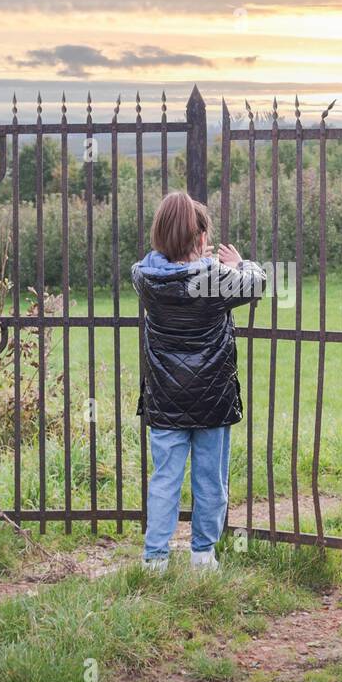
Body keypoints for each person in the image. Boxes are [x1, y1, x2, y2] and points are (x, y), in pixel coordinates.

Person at [131, 191, 267, 572]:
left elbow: (158, 268)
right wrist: (243, 263)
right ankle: (203, 555)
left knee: (164, 481)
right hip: (212, 400)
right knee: (210, 481)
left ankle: (154, 559)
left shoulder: (145, 280)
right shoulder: (215, 279)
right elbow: (256, 284)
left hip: (165, 400)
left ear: (159, 237)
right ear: (202, 239)